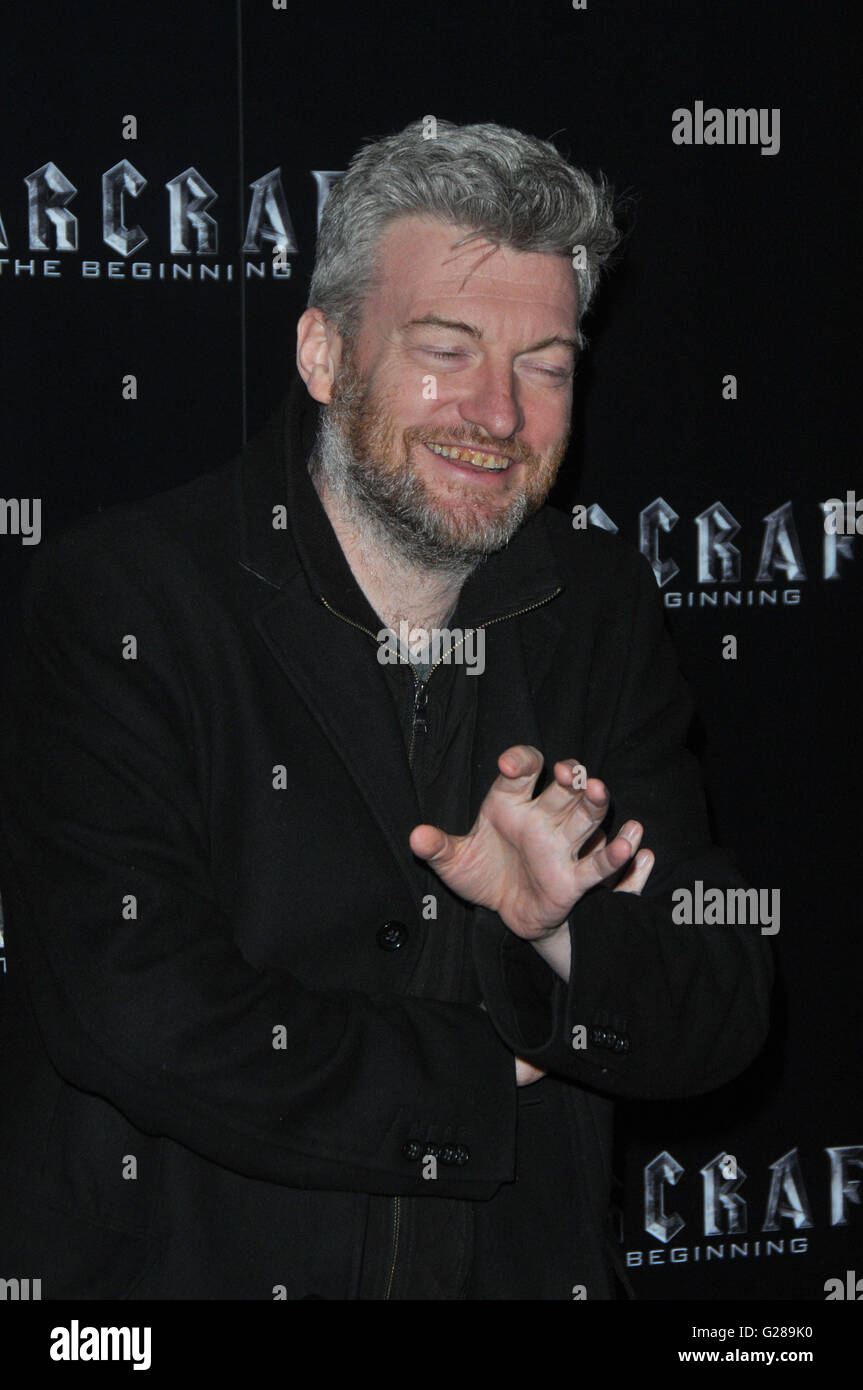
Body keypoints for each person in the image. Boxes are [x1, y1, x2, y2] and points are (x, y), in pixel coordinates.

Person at [0, 119, 772, 1300]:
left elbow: (715, 998)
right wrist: (489, 1068)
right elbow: (135, 1010)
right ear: (323, 353)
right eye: (446, 349)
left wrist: (559, 935)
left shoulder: (600, 606)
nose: (497, 414)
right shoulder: (129, 597)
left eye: (544, 366)